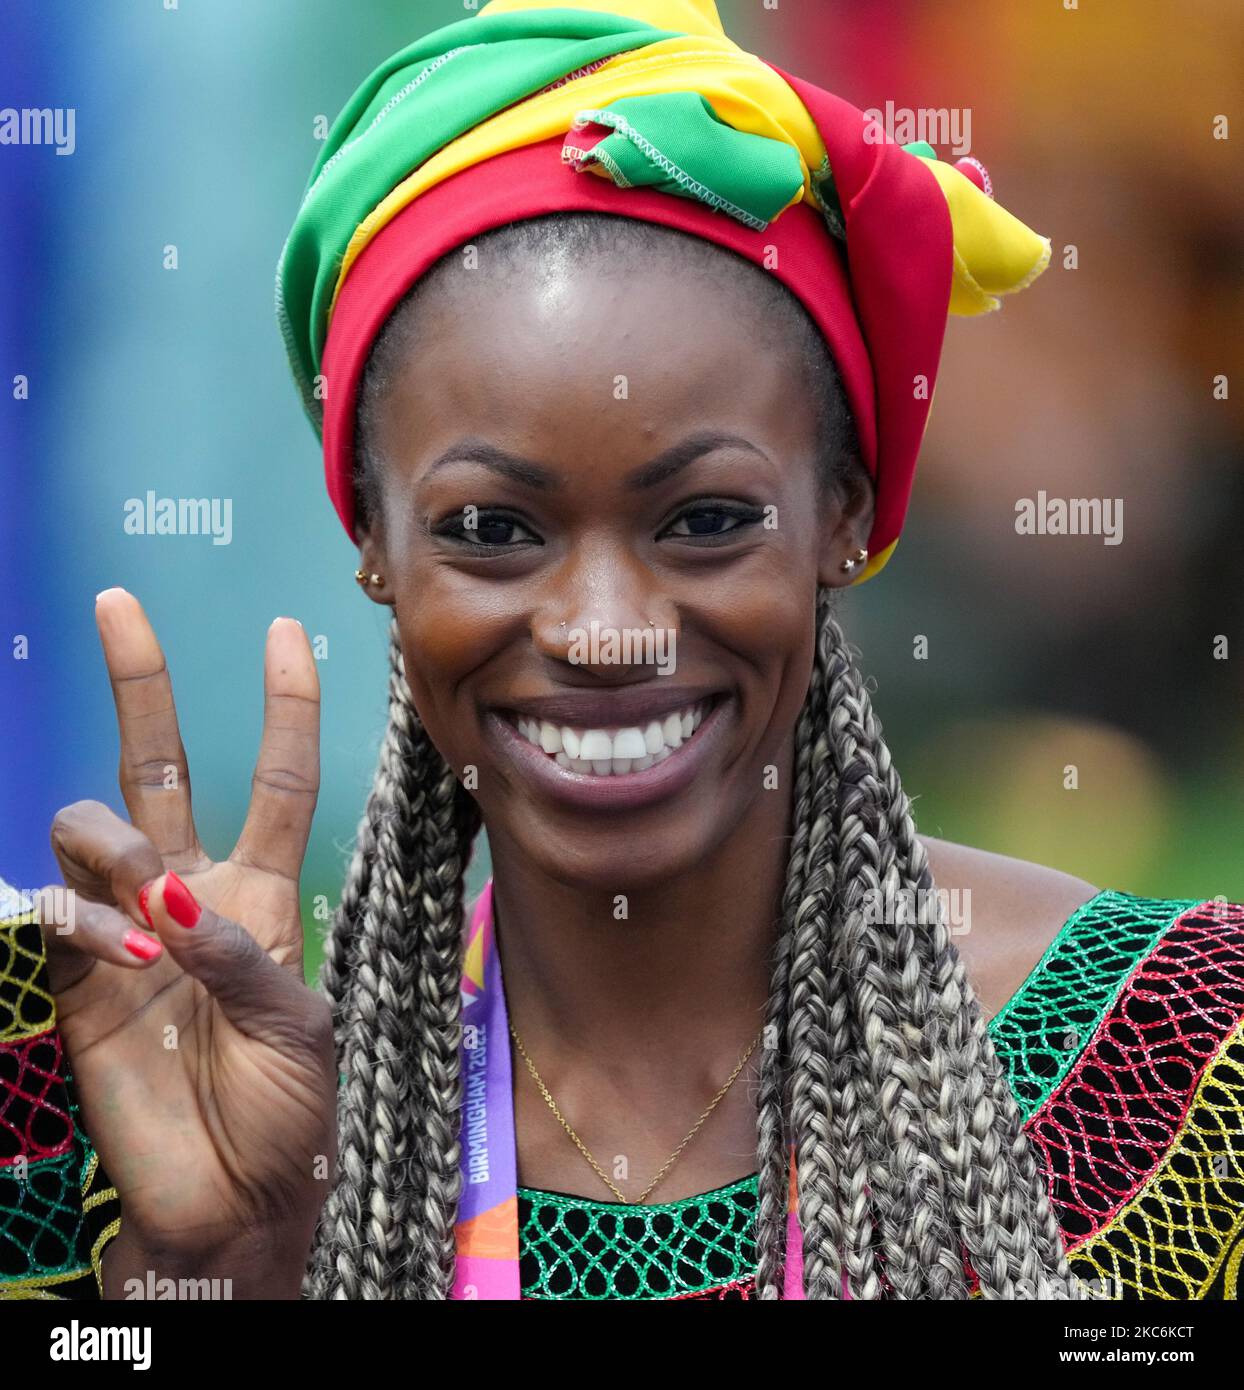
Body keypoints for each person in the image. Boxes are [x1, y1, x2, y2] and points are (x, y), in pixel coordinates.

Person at [4, 0, 1243, 1301]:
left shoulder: (1177, 1062)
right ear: (369, 541)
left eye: (705, 520)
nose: (603, 629)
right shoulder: (178, 1112)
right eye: (493, 528)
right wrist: (213, 1268)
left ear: (850, 516)